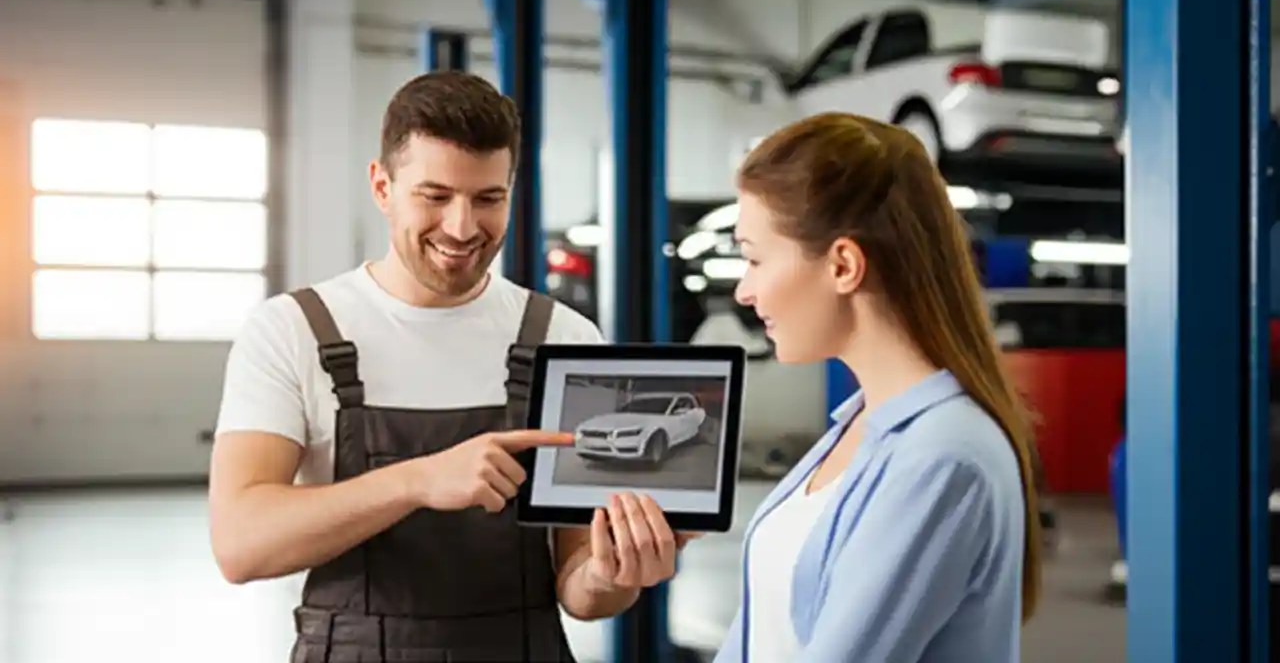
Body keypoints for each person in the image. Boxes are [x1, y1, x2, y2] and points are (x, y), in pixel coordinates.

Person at [208, 71, 688, 662]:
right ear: (382, 186)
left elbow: (579, 589)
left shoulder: (562, 337)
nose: (463, 228)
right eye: (434, 197)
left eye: (488, 198)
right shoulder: (293, 330)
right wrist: (417, 481)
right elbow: (241, 544)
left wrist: (614, 573)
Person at [713, 112, 1043, 662]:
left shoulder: (942, 457)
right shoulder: (860, 424)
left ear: (844, 264)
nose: (745, 291)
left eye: (754, 259)